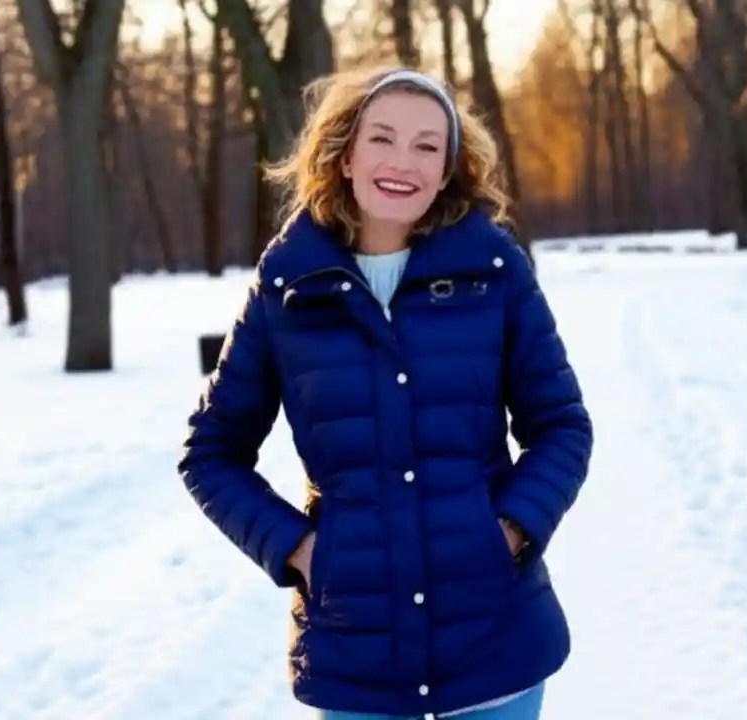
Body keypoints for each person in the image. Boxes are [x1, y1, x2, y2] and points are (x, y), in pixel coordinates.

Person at [177, 65, 593, 720]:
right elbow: (211, 452)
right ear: (344, 156)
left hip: (496, 644)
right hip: (356, 658)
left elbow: (562, 426)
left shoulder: (494, 269)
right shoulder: (288, 284)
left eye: (428, 146)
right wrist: (301, 550)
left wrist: (509, 532)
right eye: (383, 139)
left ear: (449, 166)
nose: (404, 162)